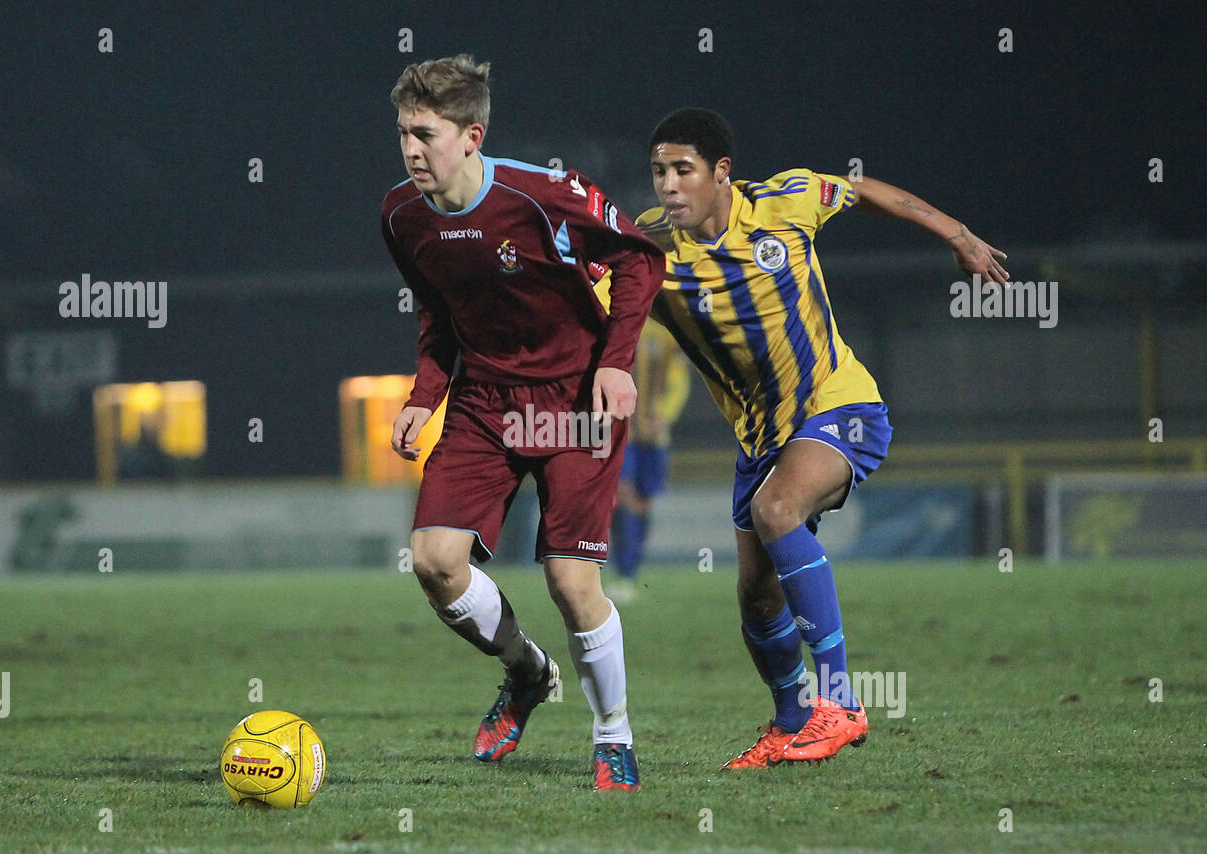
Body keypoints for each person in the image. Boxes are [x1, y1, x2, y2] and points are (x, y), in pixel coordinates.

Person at [637, 108, 1007, 768]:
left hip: (841, 405)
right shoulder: (649, 248)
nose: (668, 185)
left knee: (776, 511)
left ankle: (841, 701)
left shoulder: (788, 201)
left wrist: (958, 234)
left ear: (722, 173)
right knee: (755, 599)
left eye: (682, 170)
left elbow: (866, 193)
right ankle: (791, 720)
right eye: (660, 171)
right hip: (759, 439)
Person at [381, 55, 665, 790]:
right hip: (484, 405)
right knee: (434, 560)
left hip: (575, 403)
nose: (412, 149)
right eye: (403, 133)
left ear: (471, 135)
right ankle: (526, 671)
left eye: (426, 134)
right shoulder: (401, 218)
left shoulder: (541, 194)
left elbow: (640, 258)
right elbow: (439, 313)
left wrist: (616, 362)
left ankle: (613, 737)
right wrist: (424, 395)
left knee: (571, 582)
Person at [607, 318, 690, 603]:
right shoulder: (616, 325)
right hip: (620, 429)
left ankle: (631, 570)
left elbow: (679, 379)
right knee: (623, 495)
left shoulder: (665, 332)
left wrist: (665, 413)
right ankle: (624, 573)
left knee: (642, 501)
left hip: (655, 434)